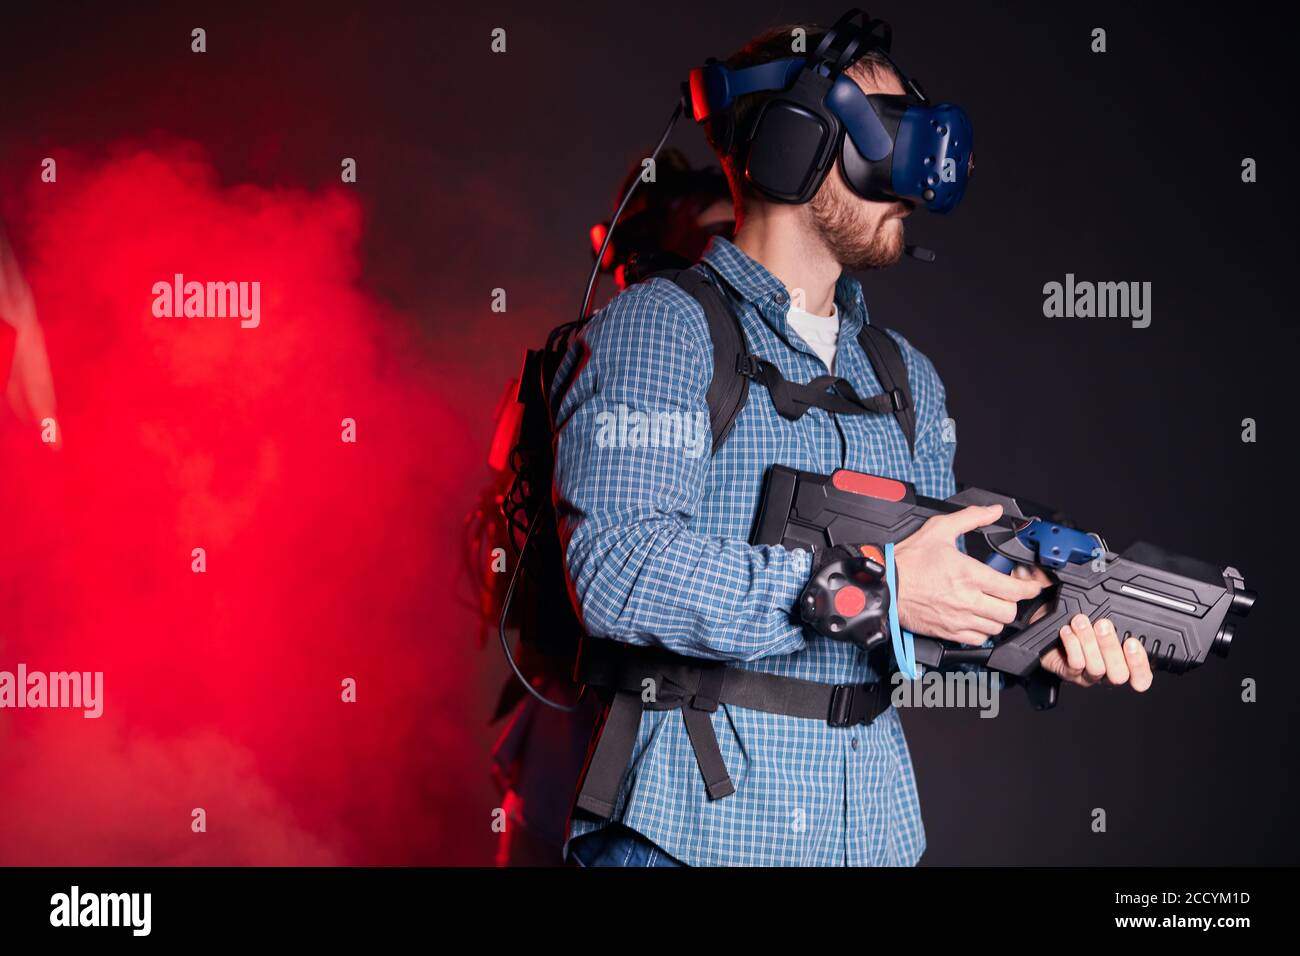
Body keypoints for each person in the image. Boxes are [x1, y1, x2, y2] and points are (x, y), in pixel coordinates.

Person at [552, 19, 1154, 868]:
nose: (916, 177)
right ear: (794, 143)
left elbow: (913, 634)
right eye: (889, 133)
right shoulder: (660, 329)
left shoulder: (906, 377)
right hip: (691, 839)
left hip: (869, 837)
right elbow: (618, 572)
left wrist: (1036, 638)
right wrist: (882, 587)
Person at [482, 150, 735, 866]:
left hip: (596, 752)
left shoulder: (585, 360)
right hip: (589, 747)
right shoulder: (614, 367)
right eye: (714, 238)